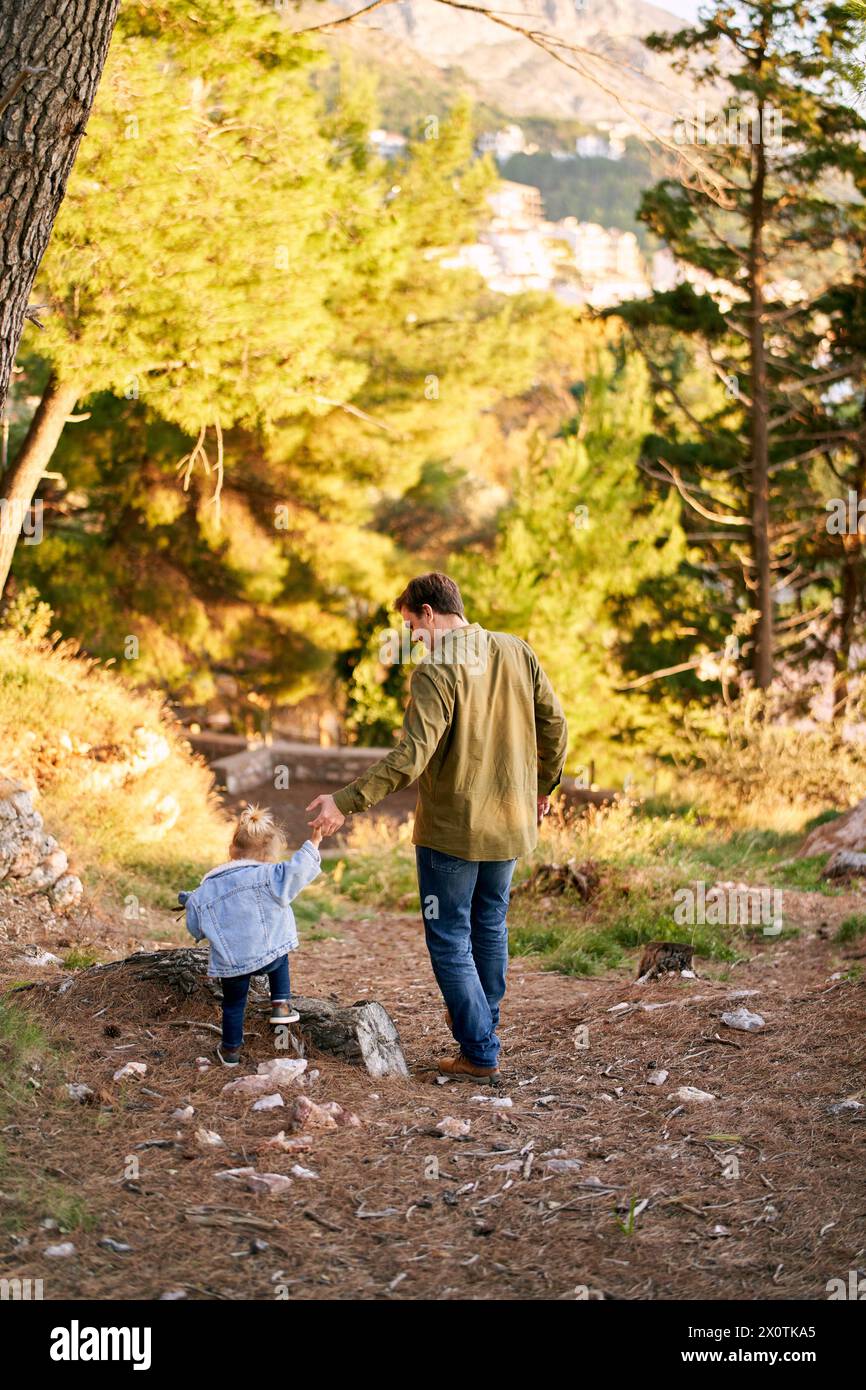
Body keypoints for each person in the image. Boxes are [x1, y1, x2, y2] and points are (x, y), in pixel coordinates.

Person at [307, 572, 567, 1078]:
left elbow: (410, 758)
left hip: (453, 831)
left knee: (450, 937)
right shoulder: (518, 651)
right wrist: (543, 786)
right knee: (489, 923)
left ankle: (478, 1052)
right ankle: (482, 1025)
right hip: (511, 826)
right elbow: (554, 723)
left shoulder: (436, 668)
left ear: (429, 613)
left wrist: (345, 801)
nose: (412, 639)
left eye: (411, 627)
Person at [178, 805, 322, 1066]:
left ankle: (231, 1051)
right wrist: (313, 843)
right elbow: (297, 871)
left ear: (232, 851)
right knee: (282, 955)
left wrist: (192, 909)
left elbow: (195, 928)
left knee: (234, 1004)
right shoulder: (271, 875)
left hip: (232, 964)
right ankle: (281, 1003)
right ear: (268, 855)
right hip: (271, 955)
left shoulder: (206, 889)